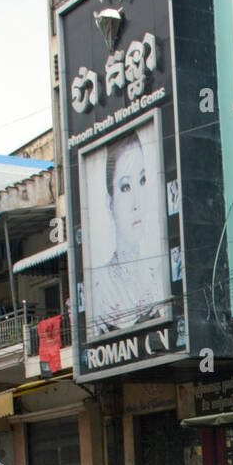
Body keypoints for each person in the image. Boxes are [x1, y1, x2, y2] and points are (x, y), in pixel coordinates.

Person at [90, 130, 167, 337]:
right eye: (125, 187)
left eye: (142, 181)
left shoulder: (161, 274)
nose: (136, 202)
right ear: (110, 202)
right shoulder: (97, 288)